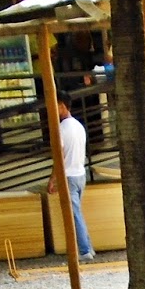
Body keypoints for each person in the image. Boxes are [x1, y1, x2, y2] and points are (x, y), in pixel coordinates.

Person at [46, 94, 95, 262]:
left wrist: (52, 179)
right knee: (77, 213)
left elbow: (58, 157)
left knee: (74, 215)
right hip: (80, 173)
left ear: (62, 105)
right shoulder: (79, 126)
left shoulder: (61, 129)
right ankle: (88, 247)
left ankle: (84, 250)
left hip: (68, 176)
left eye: (55, 105)